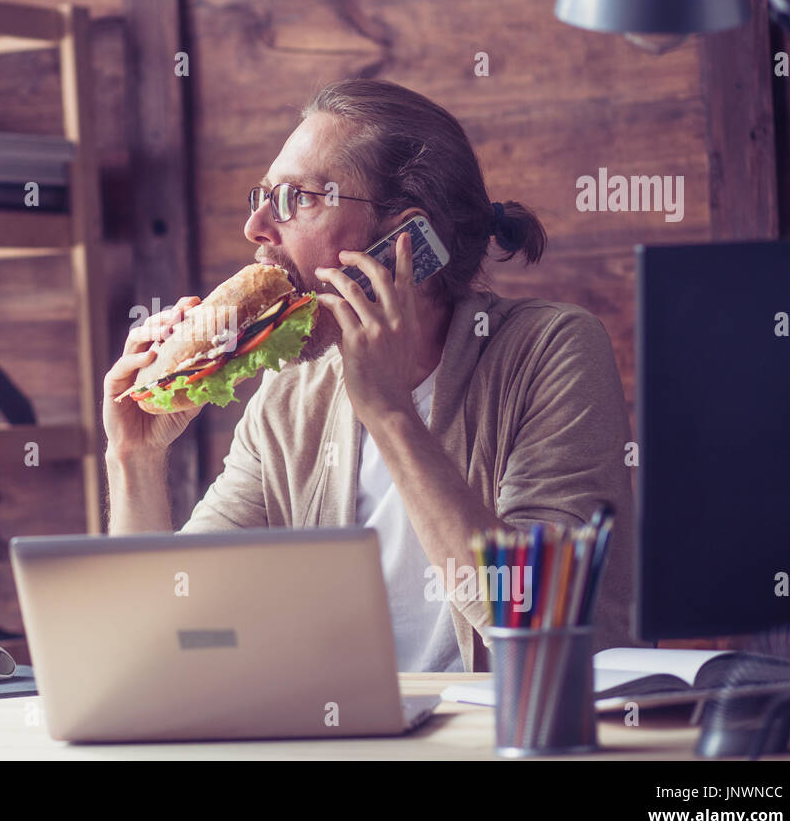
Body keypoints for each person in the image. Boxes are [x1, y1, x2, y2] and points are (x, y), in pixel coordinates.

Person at [102, 77, 640, 672]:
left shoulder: (551, 350)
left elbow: (540, 617)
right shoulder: (290, 394)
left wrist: (388, 412)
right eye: (263, 195)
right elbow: (162, 636)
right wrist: (134, 459)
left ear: (402, 242)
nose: (256, 228)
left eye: (297, 197)